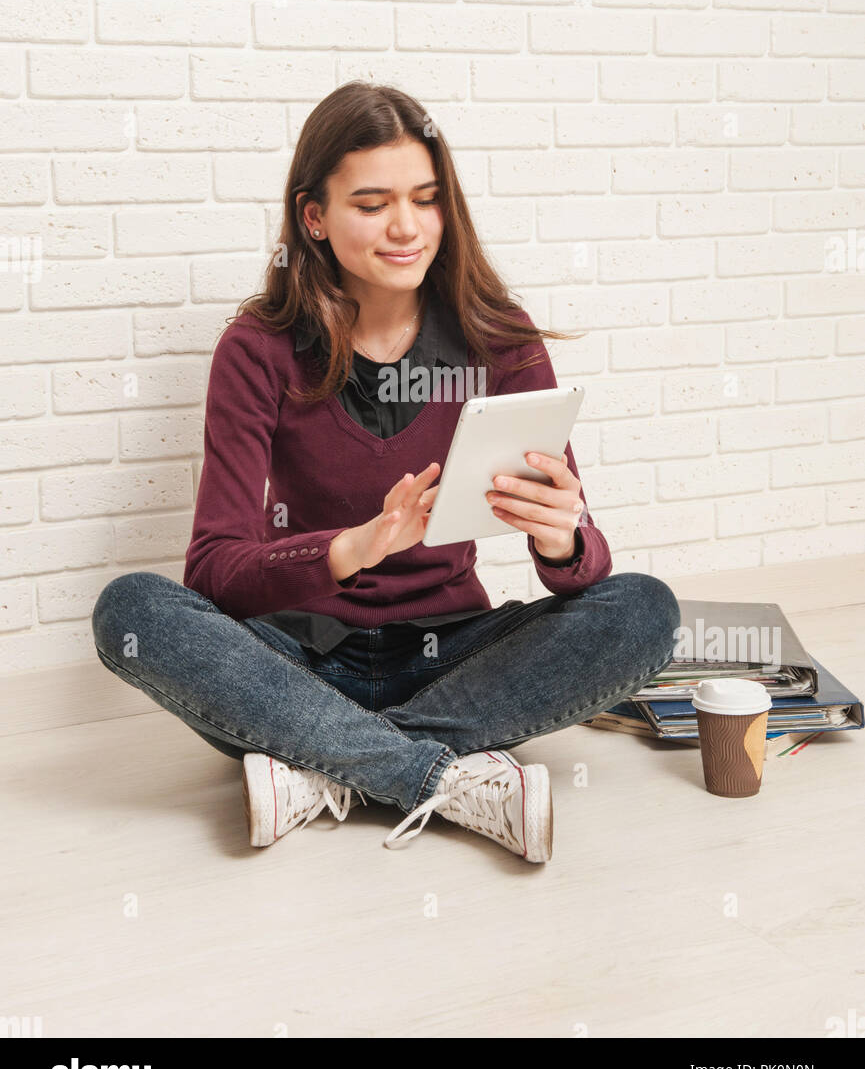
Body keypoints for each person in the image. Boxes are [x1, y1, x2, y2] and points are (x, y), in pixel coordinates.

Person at [90, 81, 680, 865]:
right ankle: (436, 773)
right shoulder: (257, 349)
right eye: (370, 204)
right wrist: (351, 549)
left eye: (426, 199)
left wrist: (565, 541)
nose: (406, 227)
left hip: (456, 657)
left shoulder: (500, 343)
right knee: (131, 609)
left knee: (643, 608)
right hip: (297, 662)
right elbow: (213, 574)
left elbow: (580, 580)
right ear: (314, 217)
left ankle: (327, 769)